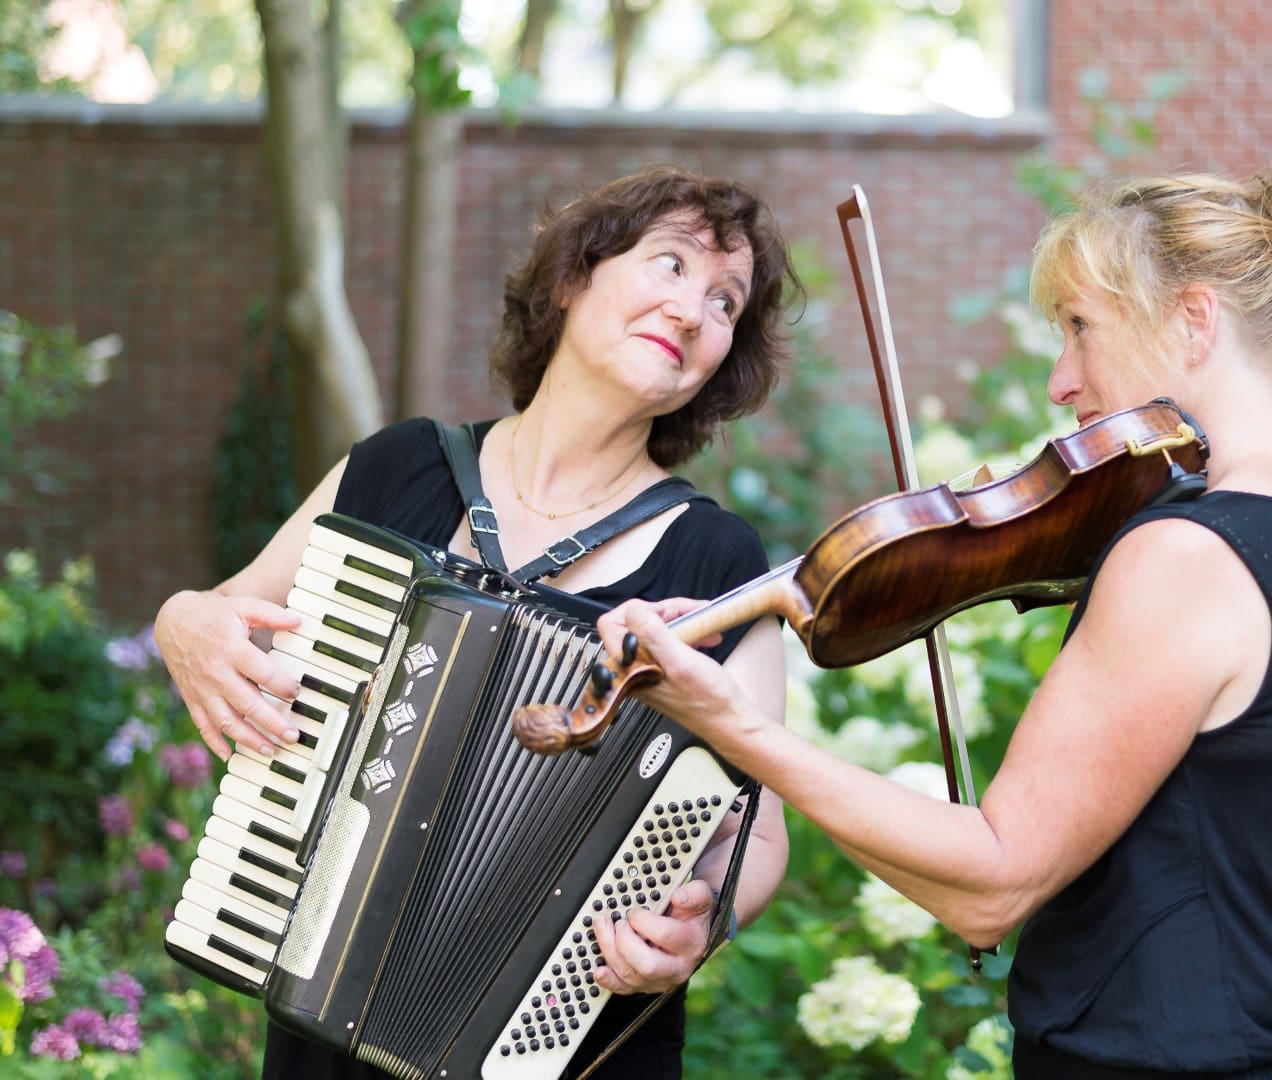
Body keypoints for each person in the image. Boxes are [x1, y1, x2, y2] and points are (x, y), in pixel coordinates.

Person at [590, 164, 1272, 1077]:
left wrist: (734, 724)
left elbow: (992, 884)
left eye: (1080, 327)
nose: (1062, 380)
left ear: (1194, 322)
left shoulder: (1188, 557)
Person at [153, 164, 799, 1079]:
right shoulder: (397, 468)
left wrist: (703, 922)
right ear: (573, 278)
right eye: (671, 265)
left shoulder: (719, 561)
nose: (694, 311)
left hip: (560, 1042)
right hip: (322, 1008)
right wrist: (182, 620)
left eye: (726, 301)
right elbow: (225, 610)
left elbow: (758, 834)